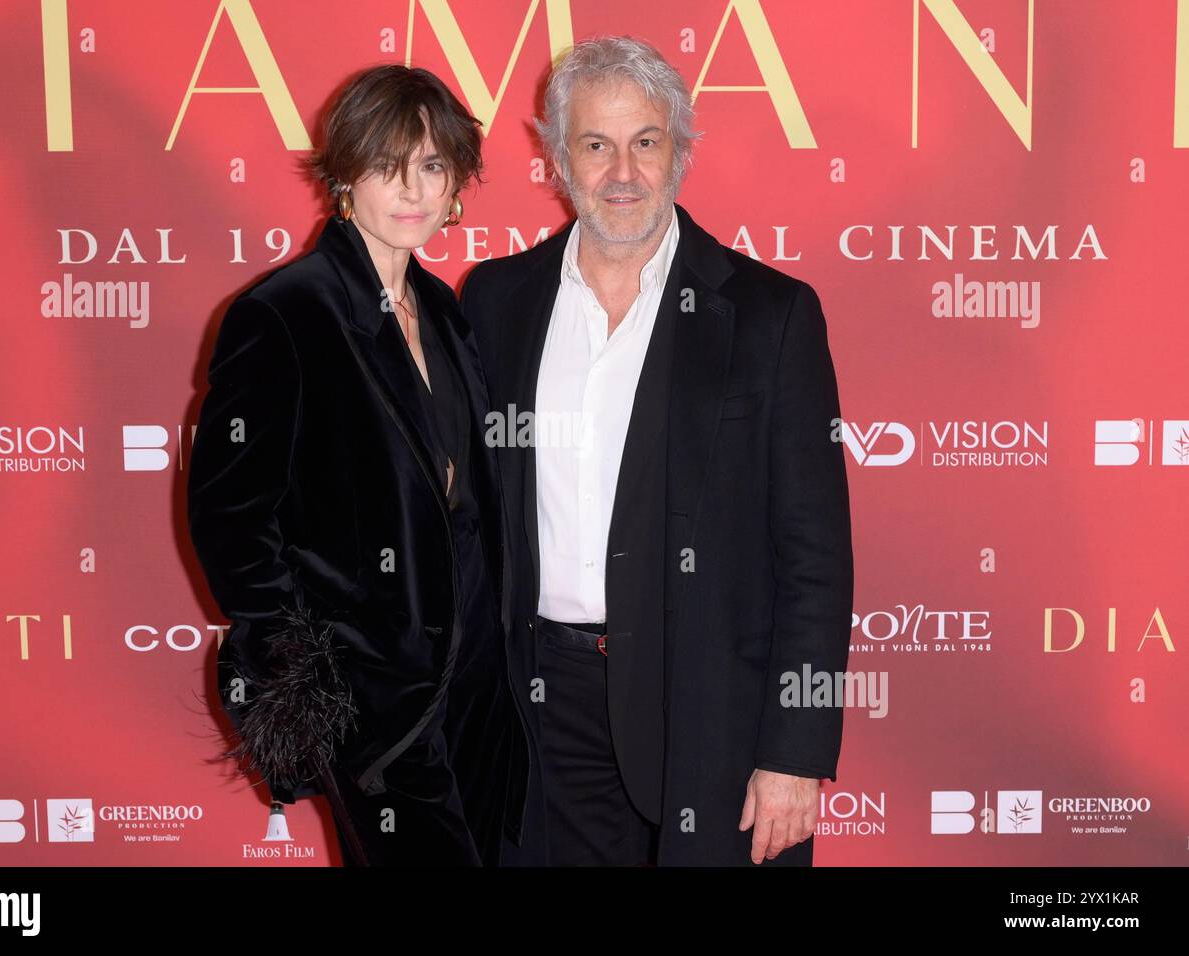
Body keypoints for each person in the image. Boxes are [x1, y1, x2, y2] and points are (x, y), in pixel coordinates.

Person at [461, 36, 854, 866]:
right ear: (557, 156)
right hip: (541, 711)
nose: (622, 173)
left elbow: (815, 555)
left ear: (680, 149)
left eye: (646, 141)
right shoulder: (497, 301)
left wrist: (796, 752)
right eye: (596, 145)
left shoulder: (769, 315)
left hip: (711, 709)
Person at [187, 64, 529, 866]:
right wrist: (314, 672)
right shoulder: (285, 313)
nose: (413, 190)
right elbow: (229, 517)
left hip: (476, 678)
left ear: (458, 185)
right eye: (388, 165)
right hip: (373, 690)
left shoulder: (444, 308)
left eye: (434, 166)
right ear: (344, 175)